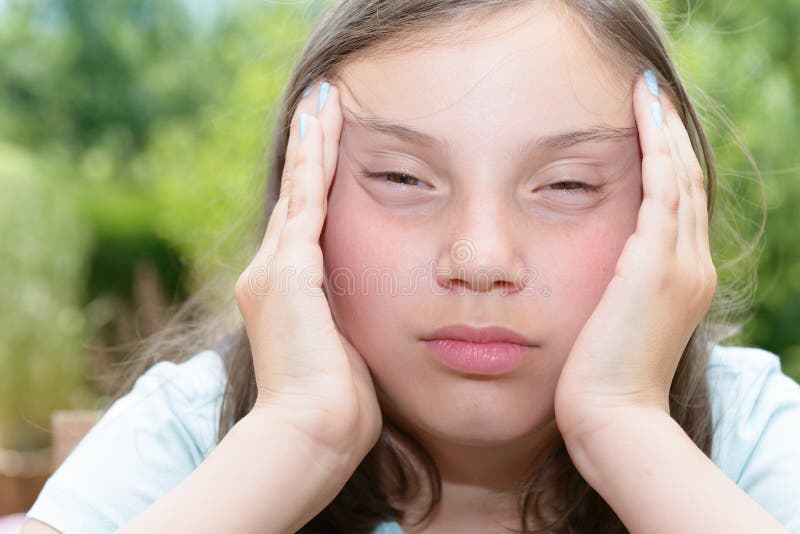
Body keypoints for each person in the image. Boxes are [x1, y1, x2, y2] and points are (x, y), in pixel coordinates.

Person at [21, 0, 800, 532]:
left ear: (669, 203)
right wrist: (296, 439)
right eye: (401, 178)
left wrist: (626, 425)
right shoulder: (195, 435)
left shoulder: (747, 433)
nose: (481, 257)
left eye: (567, 184)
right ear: (304, 196)